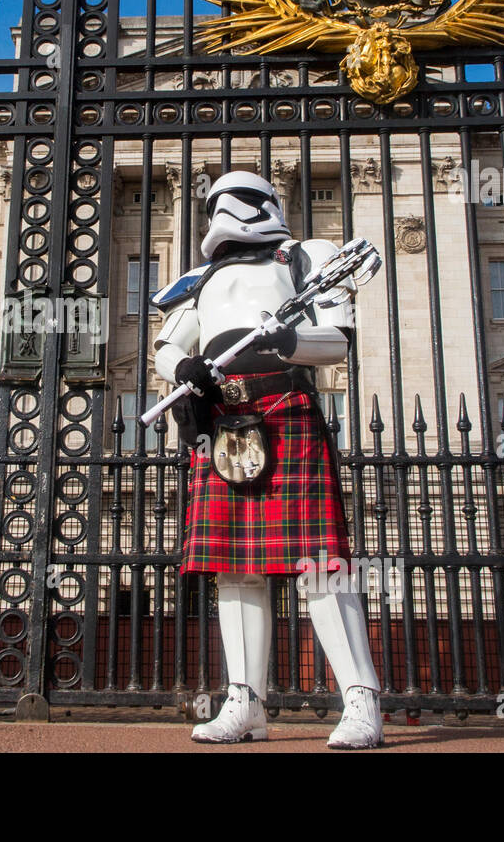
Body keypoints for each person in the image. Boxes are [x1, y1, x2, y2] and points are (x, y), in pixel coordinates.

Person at [151, 169, 383, 749]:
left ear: (270, 203)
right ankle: (245, 702)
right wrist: (183, 369)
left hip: (286, 410)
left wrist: (287, 341)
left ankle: (362, 700)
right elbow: (168, 345)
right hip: (224, 423)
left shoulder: (306, 258)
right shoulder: (199, 280)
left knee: (321, 564)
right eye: (222, 200)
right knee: (235, 568)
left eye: (247, 197)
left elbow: (338, 340)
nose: (234, 208)